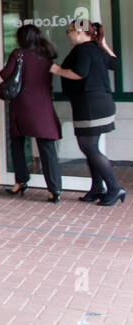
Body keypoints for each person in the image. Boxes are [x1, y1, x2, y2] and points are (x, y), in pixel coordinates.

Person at [51, 20, 122, 204]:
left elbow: (79, 73)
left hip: (90, 106)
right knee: (91, 148)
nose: (67, 35)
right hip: (102, 103)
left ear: (80, 32)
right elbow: (115, 63)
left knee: (89, 148)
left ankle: (114, 188)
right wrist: (103, 44)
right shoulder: (96, 48)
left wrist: (57, 70)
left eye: (69, 31)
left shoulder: (83, 49)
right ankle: (97, 188)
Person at [0, 24, 62, 201]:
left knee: (17, 142)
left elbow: (5, 74)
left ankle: (20, 181)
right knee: (47, 147)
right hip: (43, 105)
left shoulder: (18, 54)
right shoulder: (47, 54)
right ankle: (54, 189)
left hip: (22, 105)